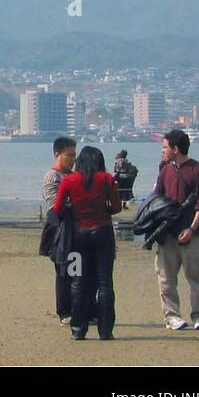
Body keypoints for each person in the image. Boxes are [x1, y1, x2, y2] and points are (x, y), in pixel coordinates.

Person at [53, 145, 122, 340]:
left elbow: (57, 209)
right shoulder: (107, 179)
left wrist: (73, 207)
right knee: (105, 283)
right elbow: (116, 207)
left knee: (78, 282)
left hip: (78, 236)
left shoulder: (69, 180)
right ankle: (105, 331)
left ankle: (78, 329)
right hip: (103, 233)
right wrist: (104, 209)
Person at [152, 129, 199, 331]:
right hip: (167, 235)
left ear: (175, 149)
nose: (163, 151)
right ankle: (172, 316)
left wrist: (192, 229)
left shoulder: (198, 170)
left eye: (165, 147)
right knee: (166, 278)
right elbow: (156, 200)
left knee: (196, 277)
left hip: (192, 234)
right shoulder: (165, 171)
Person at [41, 136, 77, 322]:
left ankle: (77, 307)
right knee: (63, 272)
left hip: (74, 228)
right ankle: (64, 311)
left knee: (75, 270)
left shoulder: (72, 175)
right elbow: (55, 203)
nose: (72, 160)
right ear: (57, 155)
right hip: (59, 228)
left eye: (74, 155)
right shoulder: (53, 176)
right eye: (68, 155)